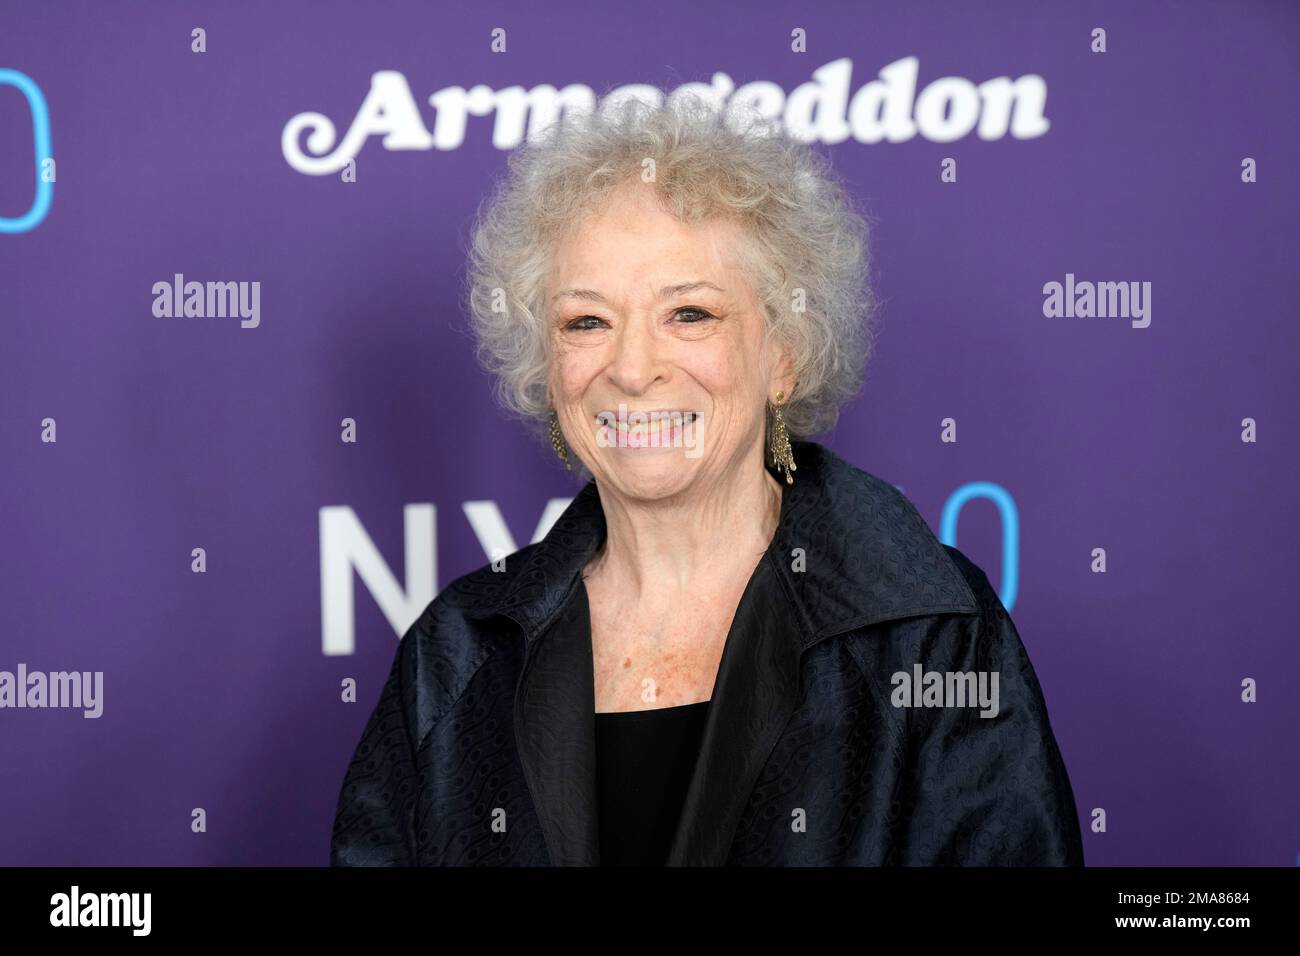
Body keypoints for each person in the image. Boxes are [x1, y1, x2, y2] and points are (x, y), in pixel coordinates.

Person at [329, 94, 1084, 866]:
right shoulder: (457, 653)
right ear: (545, 368)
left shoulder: (933, 635)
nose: (631, 368)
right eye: (585, 322)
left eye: (689, 314)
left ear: (785, 355)